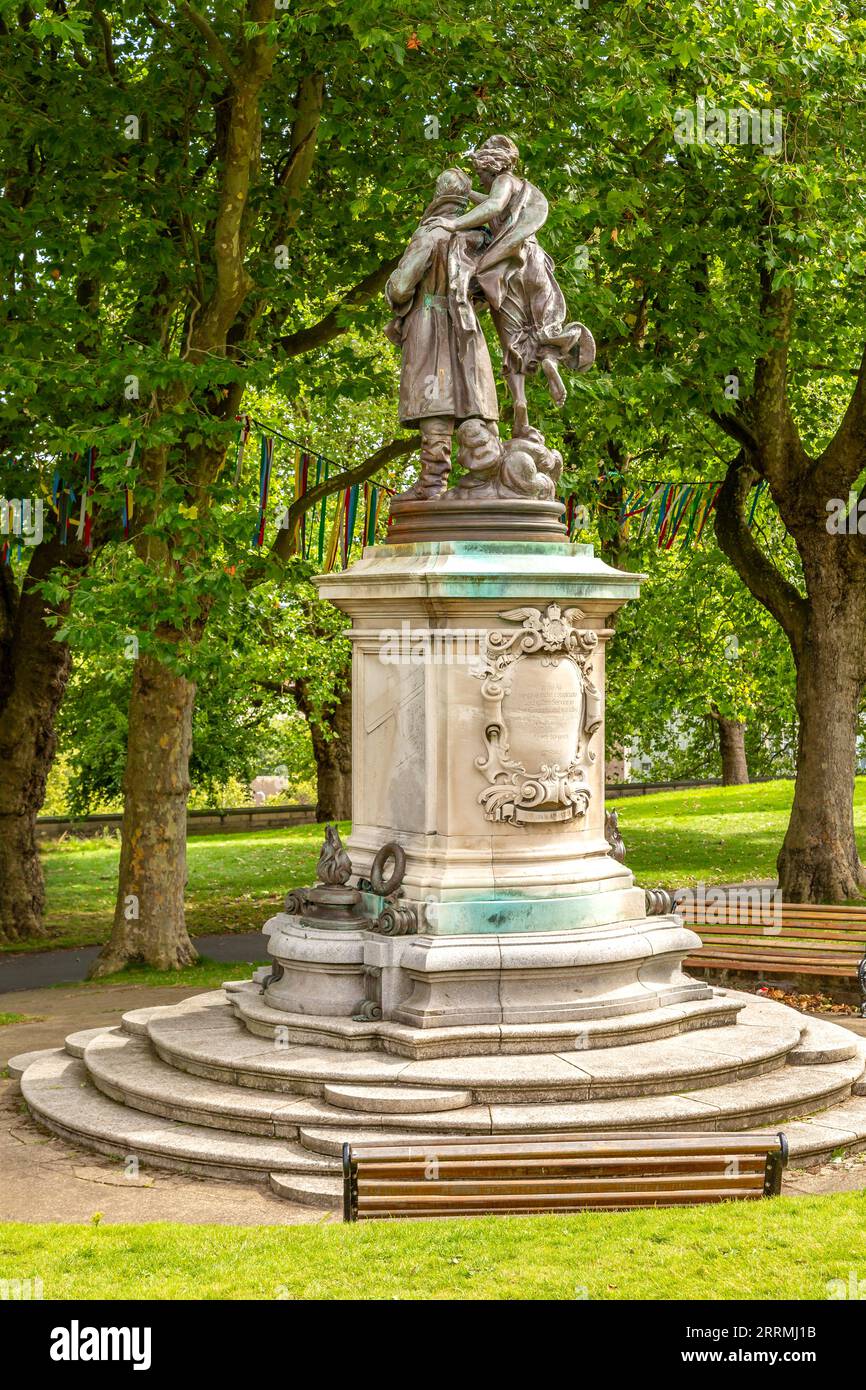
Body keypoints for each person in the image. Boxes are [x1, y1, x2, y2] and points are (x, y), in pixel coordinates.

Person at [426, 135, 594, 438]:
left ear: (492, 166)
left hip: (508, 265)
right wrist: (467, 193)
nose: (480, 176)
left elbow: (493, 207)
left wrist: (453, 224)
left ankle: (521, 405)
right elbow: (493, 203)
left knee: (511, 340)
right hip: (534, 263)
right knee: (540, 326)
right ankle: (548, 360)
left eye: (480, 172)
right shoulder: (520, 188)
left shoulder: (504, 181)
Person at [385, 167, 499, 499]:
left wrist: (393, 289)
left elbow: (403, 285)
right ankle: (487, 476)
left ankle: (432, 483)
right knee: (471, 397)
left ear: (438, 196)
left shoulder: (431, 234)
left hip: (429, 322)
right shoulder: (482, 238)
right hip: (466, 327)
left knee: (436, 400)